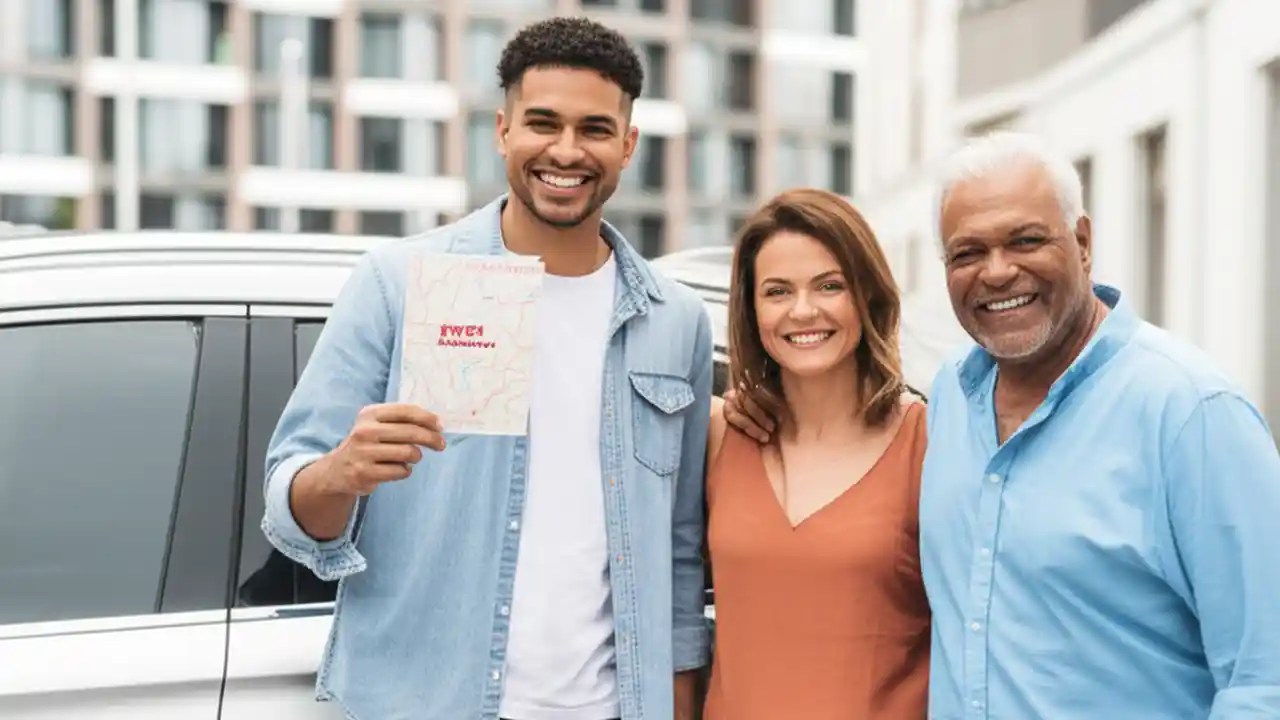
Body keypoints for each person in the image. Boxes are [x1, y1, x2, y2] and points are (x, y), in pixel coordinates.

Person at [725, 131, 1280, 718]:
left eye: (1026, 241)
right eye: (967, 253)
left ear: (1083, 242)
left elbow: (1264, 679)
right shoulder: (950, 404)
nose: (996, 272)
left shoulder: (1191, 413)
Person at [261, 17, 713, 720]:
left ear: (627, 145)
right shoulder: (398, 283)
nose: (566, 150)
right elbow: (290, 507)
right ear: (502, 130)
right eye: (543, 123)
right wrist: (339, 475)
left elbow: (680, 555)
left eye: (594, 129)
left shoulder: (675, 320)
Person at [703, 188, 930, 719]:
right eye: (777, 291)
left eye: (829, 286)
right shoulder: (716, 436)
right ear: (751, 308)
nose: (803, 311)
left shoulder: (929, 443)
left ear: (867, 294)